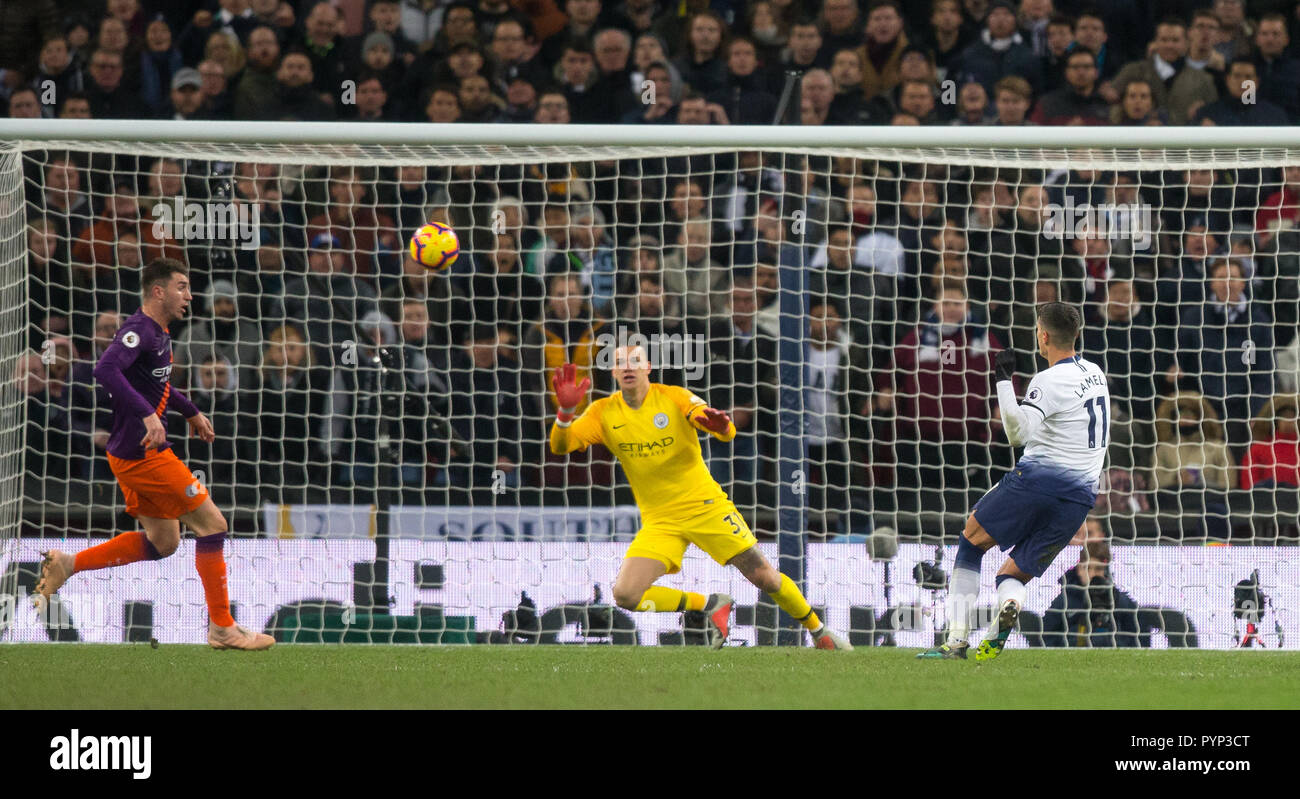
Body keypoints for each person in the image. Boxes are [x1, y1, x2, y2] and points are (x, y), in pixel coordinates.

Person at [34, 258, 273, 651]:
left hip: (131, 454)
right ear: (158, 291)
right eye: (182, 286)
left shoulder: (159, 333)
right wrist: (148, 415)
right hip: (144, 455)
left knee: (163, 543)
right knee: (213, 525)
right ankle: (222, 627)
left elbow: (154, 383)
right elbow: (105, 370)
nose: (189, 295)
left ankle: (67, 564)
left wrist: (189, 410)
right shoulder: (138, 330)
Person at [549, 346, 851, 650]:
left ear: (648, 368)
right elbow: (562, 446)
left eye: (635, 361)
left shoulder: (673, 397)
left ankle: (819, 631)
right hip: (660, 521)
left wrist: (722, 427)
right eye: (620, 363)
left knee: (765, 578)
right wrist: (564, 415)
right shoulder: (603, 412)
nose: (628, 367)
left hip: (705, 507)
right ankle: (708, 604)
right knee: (626, 594)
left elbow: (719, 425)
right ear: (613, 372)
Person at [919, 302, 1108, 661]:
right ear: (1077, 334)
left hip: (1038, 481)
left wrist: (1004, 381)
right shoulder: (1096, 373)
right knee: (1013, 574)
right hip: (1081, 497)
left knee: (972, 542)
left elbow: (1016, 433)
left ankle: (956, 641)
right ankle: (1007, 606)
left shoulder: (1048, 380)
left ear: (1043, 335)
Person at [1042, 540, 1143, 648]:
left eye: (1098, 569)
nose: (1092, 574)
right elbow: (1047, 638)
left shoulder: (1121, 602)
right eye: (1087, 568)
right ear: (1079, 569)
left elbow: (1139, 640)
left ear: (1106, 570)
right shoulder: (1064, 602)